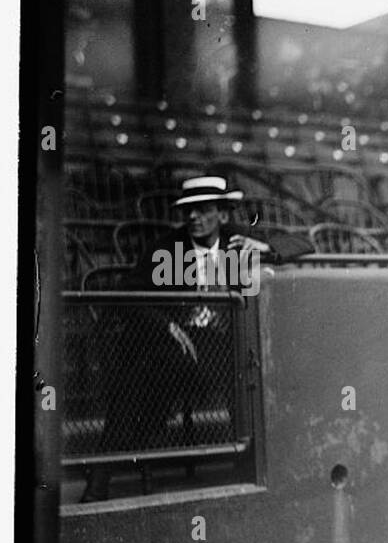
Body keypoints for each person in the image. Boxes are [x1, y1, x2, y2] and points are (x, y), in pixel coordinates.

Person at [80, 176, 309, 502]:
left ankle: (248, 468)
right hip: (174, 342)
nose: (194, 218)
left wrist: (267, 248)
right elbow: (127, 293)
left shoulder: (237, 240)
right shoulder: (167, 246)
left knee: (245, 369)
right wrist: (167, 325)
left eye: (203, 211)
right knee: (136, 379)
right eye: (189, 211)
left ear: (223, 215)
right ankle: (100, 479)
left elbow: (303, 242)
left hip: (221, 343)